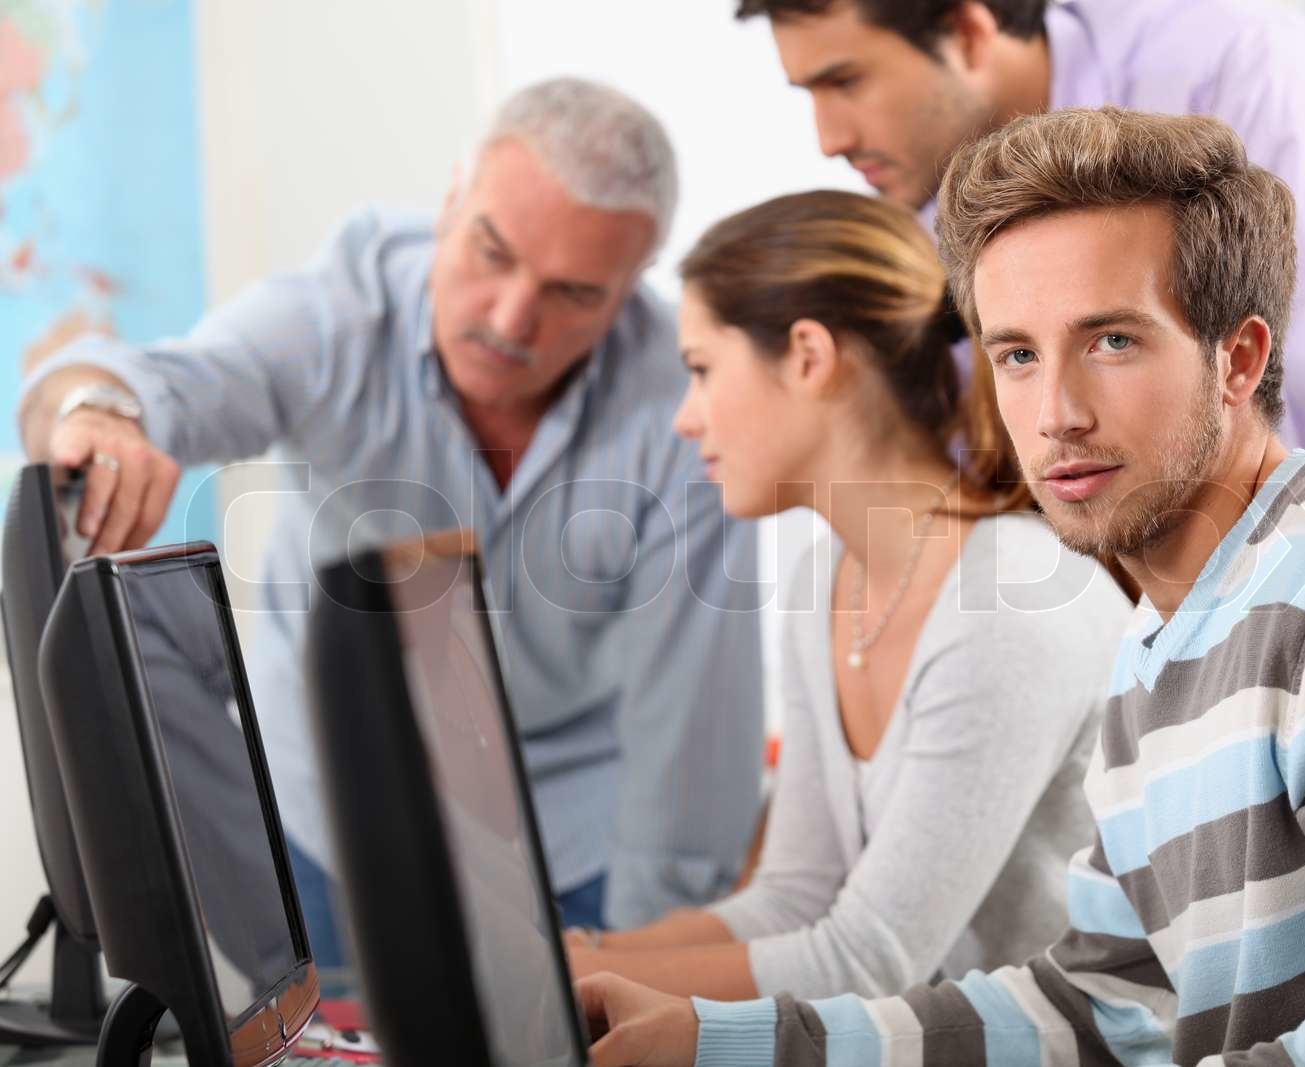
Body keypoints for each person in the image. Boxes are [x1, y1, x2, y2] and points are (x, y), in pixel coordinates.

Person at [575, 107, 1305, 1066]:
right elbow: (1105, 1004)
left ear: (1237, 358)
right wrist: (719, 1038)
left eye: (1111, 340)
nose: (1055, 410)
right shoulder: (1162, 640)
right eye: (1017, 354)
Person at [15, 79, 765, 945]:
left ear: (632, 287)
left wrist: (644, 963)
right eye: (491, 251)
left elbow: (691, 734)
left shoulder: (684, 405)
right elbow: (135, 383)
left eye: (573, 293)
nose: (511, 316)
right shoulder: (339, 312)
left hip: (567, 844)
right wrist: (99, 417)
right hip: (330, 821)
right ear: (451, 202)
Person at [735, 0, 1305, 731]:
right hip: (1236, 620)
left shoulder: (1245, 75)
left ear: (967, 29)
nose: (827, 136)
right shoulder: (943, 200)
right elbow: (1005, 452)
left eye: (844, 81)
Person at [565, 190, 1131, 1002]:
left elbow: (864, 959)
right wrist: (587, 952)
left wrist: (573, 977)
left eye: (700, 371)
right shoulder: (825, 581)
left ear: (807, 355)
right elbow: (794, 896)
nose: (685, 419)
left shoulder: (1007, 605)